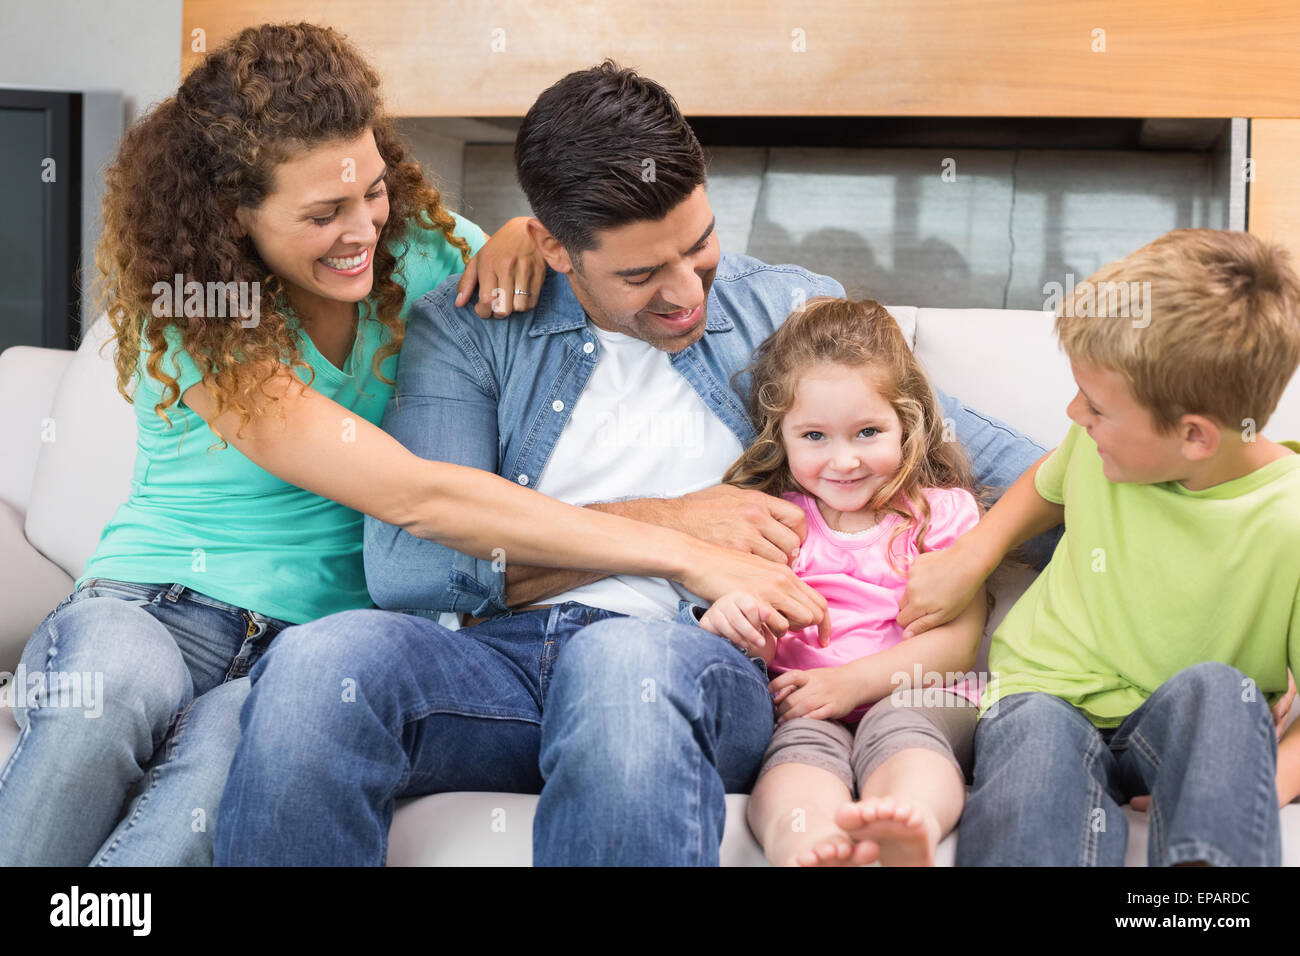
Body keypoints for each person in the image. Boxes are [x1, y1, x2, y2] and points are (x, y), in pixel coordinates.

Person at [0, 24, 822, 868]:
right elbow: (413, 499)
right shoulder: (202, 309)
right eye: (323, 213)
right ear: (233, 214)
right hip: (162, 603)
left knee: (215, 781)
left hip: (297, 648)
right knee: (113, 691)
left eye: (373, 192)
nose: (363, 230)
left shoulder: (423, 255)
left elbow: (552, 255)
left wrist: (511, 236)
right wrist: (680, 537)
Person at [214, 61, 1051, 867]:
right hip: (498, 669)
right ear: (552, 246)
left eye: (702, 244)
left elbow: (1014, 467)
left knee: (620, 663)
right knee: (320, 661)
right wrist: (673, 524)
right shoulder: (470, 327)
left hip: (687, 663)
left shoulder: (786, 312)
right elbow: (411, 566)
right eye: (642, 273)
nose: (688, 292)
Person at [898, 229, 1300, 866]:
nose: (1073, 412)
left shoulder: (1290, 521)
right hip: (1045, 694)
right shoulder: (1095, 441)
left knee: (1223, 694)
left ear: (1194, 436)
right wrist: (972, 554)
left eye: (1096, 406)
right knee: (1031, 745)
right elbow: (1047, 484)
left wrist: (1265, 781)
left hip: (1180, 726)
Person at [698, 297, 987, 867]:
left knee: (906, 735)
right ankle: (806, 846)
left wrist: (852, 684)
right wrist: (737, 626)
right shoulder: (774, 522)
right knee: (794, 762)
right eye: (814, 437)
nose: (845, 460)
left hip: (920, 695)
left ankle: (909, 830)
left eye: (867, 432)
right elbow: (766, 646)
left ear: (909, 423)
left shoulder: (941, 514)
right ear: (779, 435)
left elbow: (956, 644)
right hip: (808, 707)